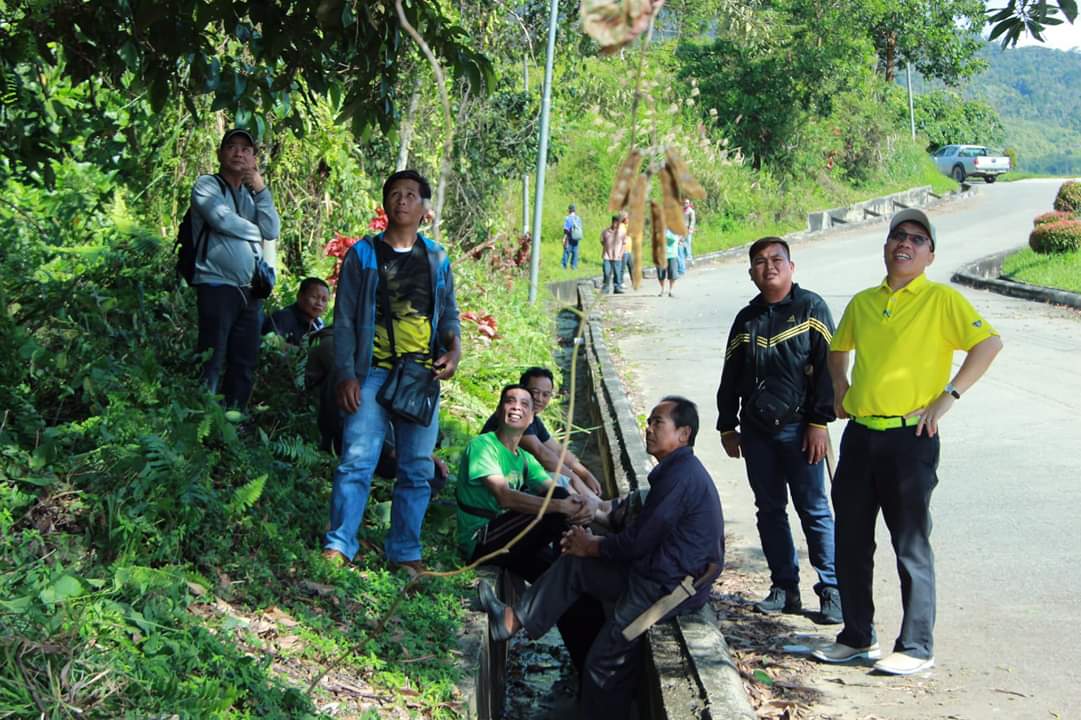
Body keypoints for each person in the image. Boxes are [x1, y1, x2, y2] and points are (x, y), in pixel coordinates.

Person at [812, 208, 1003, 675]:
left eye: (918, 239)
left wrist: (948, 396)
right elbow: (838, 349)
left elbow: (989, 344)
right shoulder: (862, 302)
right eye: (898, 236)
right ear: (885, 248)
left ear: (930, 254)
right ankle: (857, 636)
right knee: (851, 541)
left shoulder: (941, 300)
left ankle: (916, 647)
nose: (906, 243)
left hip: (911, 438)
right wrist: (840, 389)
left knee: (910, 543)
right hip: (860, 436)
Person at [476, 396, 724, 719]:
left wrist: (591, 545)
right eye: (648, 421)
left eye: (658, 423)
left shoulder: (682, 477)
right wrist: (586, 542)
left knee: (602, 663)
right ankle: (511, 620)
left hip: (666, 589)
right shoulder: (673, 472)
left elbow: (636, 543)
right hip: (650, 573)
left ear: (684, 434)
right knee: (574, 567)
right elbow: (625, 524)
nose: (648, 429)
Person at [324, 169, 462, 573]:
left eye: (410, 195)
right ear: (385, 204)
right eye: (394, 194)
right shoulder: (364, 255)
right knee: (356, 460)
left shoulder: (436, 258)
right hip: (372, 374)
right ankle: (339, 544)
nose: (401, 200)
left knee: (417, 468)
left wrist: (453, 353)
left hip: (420, 377)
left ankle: (404, 551)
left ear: (424, 208)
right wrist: (346, 373)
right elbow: (345, 317)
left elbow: (449, 312)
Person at [716, 237, 841, 624]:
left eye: (776, 260)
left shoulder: (811, 309)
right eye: (759, 262)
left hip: (801, 431)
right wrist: (727, 426)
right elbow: (730, 375)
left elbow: (828, 372)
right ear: (751, 272)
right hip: (756, 435)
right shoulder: (746, 319)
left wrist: (819, 422)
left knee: (815, 510)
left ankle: (832, 590)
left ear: (791, 266)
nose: (768, 267)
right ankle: (783, 587)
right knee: (769, 510)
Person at [457, 384, 604, 670]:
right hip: (483, 539)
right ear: (499, 411)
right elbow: (505, 496)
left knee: (572, 592)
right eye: (510, 402)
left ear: (530, 417)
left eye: (524, 405)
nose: (516, 407)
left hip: (512, 541)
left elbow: (551, 486)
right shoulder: (483, 445)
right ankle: (577, 557)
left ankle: (585, 668)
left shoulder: (524, 459)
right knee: (559, 504)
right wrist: (564, 506)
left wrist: (582, 504)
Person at [190, 128, 281, 409]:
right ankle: (201, 419)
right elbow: (222, 220)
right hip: (216, 285)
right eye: (232, 146)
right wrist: (256, 232)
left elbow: (273, 228)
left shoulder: (250, 197)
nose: (239, 152)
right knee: (212, 358)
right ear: (220, 154)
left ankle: (234, 423)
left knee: (244, 362)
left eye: (246, 149)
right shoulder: (207, 185)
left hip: (249, 292)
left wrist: (261, 188)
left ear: (253, 158)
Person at [481, 367, 604, 499]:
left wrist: (585, 474)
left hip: (514, 478)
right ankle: (603, 510)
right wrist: (575, 478)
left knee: (561, 481)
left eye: (546, 394)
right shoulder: (515, 418)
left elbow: (556, 450)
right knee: (561, 482)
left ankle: (602, 509)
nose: (539, 399)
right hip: (496, 492)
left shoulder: (532, 418)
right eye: (535, 392)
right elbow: (541, 453)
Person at [263, 277, 330, 346]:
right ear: (299, 296)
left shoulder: (318, 324)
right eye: (314, 297)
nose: (319, 303)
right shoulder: (283, 317)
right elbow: (271, 346)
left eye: (324, 300)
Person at [600, 214, 625, 294]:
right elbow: (602, 241)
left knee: (617, 273)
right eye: (616, 223)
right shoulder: (605, 231)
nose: (617, 225)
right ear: (613, 222)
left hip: (617, 256)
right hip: (607, 256)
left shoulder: (622, 232)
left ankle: (617, 287)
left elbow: (624, 244)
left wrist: (620, 254)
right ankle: (606, 287)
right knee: (606, 272)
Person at [656, 228, 679, 297]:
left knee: (672, 274)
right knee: (660, 274)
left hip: (672, 254)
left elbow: (672, 240)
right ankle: (662, 289)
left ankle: (671, 290)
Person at [562, 204, 583, 270]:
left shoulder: (567, 218)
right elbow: (580, 227)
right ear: (574, 210)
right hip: (576, 238)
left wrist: (564, 237)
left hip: (569, 238)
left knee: (566, 252)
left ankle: (564, 265)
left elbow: (566, 229)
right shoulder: (578, 218)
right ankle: (573, 266)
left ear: (569, 210)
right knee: (575, 252)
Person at [618, 211, 634, 287]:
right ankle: (620, 282)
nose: (629, 219)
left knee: (631, 266)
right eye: (627, 218)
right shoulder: (620, 226)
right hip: (623, 250)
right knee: (622, 267)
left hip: (629, 250)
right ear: (623, 219)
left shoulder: (626, 225)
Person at [682, 199, 696, 267]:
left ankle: (689, 257)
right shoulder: (682, 210)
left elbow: (692, 221)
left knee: (688, 243)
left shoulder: (691, 211)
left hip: (688, 229)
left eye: (687, 203)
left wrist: (690, 229)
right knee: (683, 244)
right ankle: (685, 257)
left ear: (689, 203)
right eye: (684, 203)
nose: (685, 204)